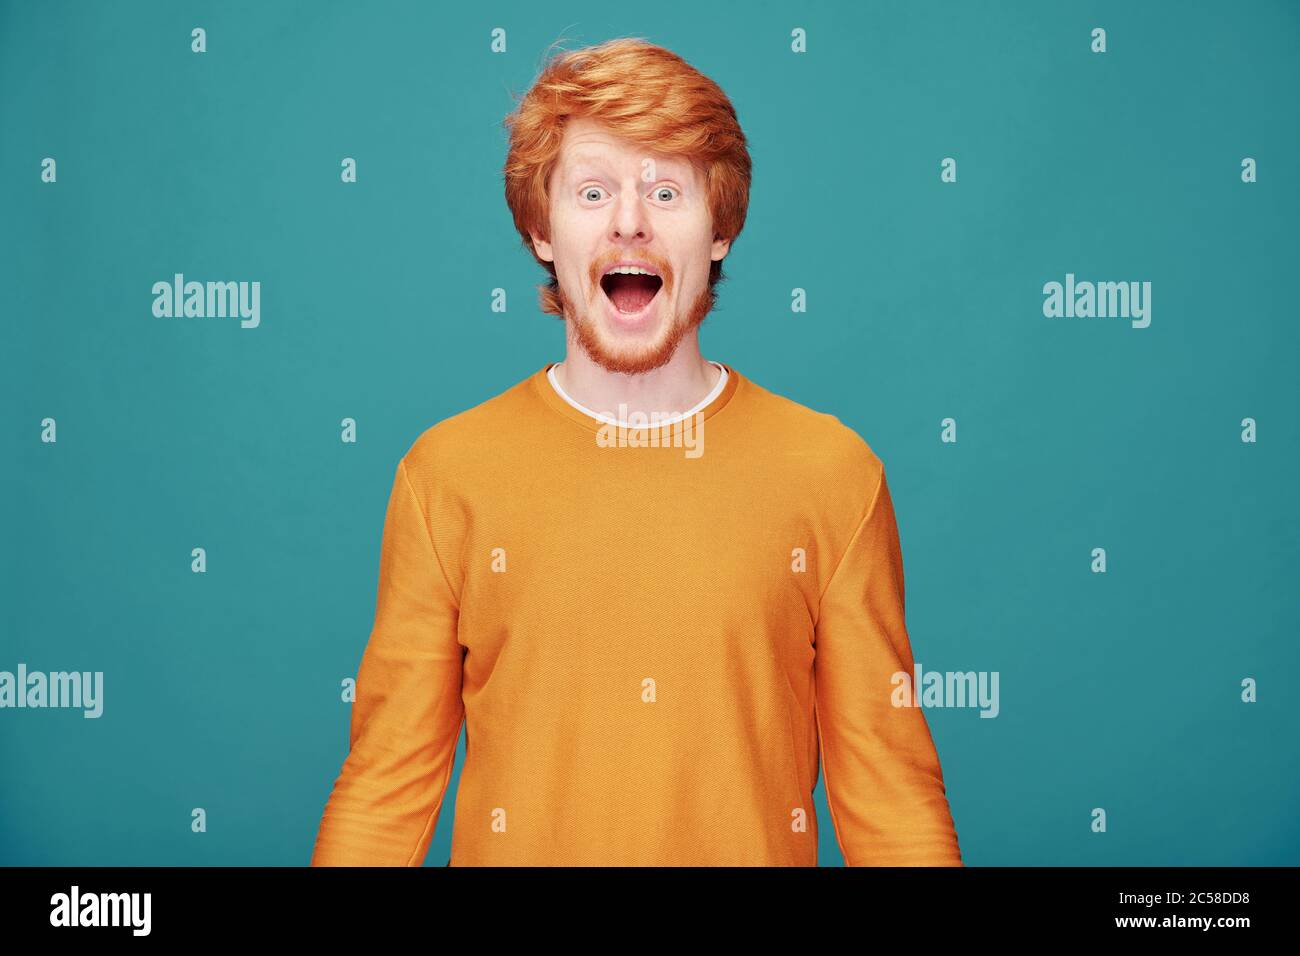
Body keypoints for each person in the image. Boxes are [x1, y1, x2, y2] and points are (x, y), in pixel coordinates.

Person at [310, 37, 962, 867]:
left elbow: (892, 799)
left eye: (665, 190)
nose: (629, 220)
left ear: (718, 229)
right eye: (592, 191)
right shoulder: (446, 477)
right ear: (541, 230)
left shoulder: (832, 475)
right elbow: (384, 788)